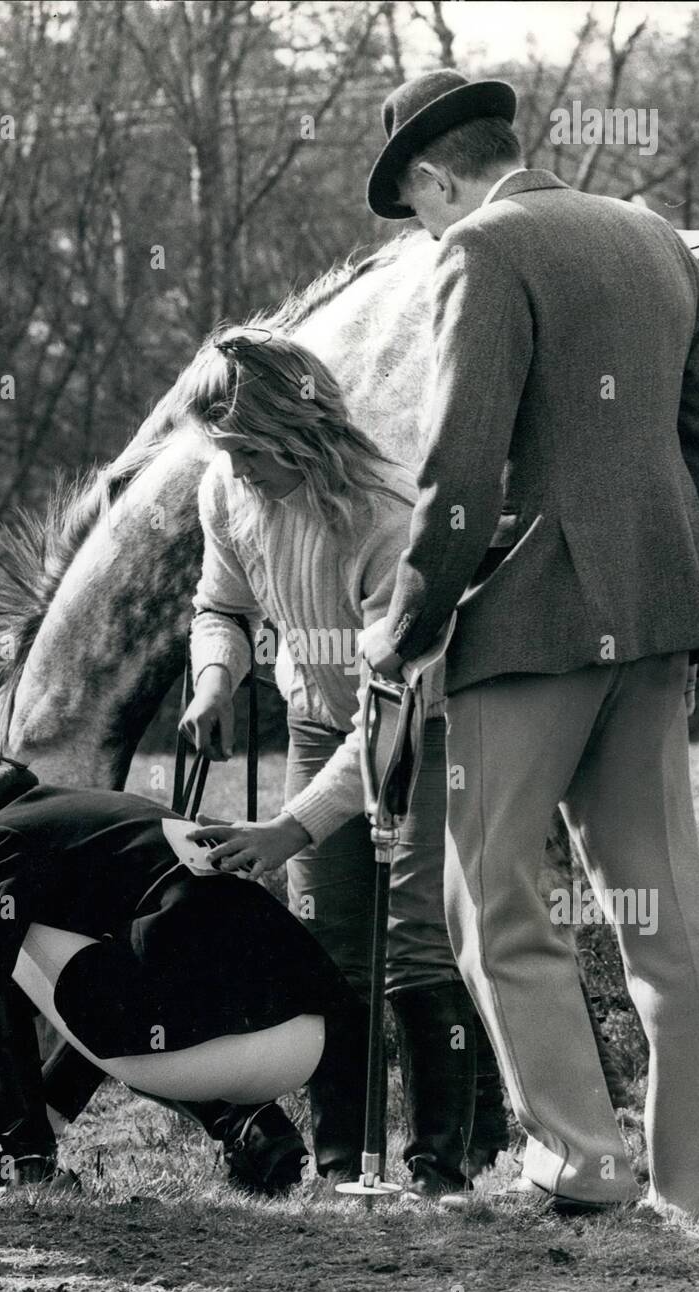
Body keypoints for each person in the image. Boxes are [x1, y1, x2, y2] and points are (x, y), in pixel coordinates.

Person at [359, 70, 699, 1217]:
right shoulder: (660, 241)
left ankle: (581, 1163)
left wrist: (405, 630)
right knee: (663, 921)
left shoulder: (482, 250)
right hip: (656, 624)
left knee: (492, 904)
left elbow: (458, 476)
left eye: (419, 204)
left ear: (437, 178)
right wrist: (670, 570)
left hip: (526, 633)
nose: (427, 226)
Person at [177, 328, 515, 1198]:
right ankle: (340, 1165)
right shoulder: (226, 489)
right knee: (329, 944)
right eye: (227, 451)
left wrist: (293, 826)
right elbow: (221, 605)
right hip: (318, 721)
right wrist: (215, 681)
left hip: (427, 726)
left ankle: (445, 1163)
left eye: (253, 449)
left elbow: (395, 703)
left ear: (301, 428)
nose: (239, 468)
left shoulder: (386, 515)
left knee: (414, 936)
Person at [0, 741, 378, 1198]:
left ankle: (26, 1162)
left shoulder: (0, 836)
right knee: (100, 957)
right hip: (309, 1046)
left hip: (201, 1054)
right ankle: (257, 1128)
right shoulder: (101, 810)